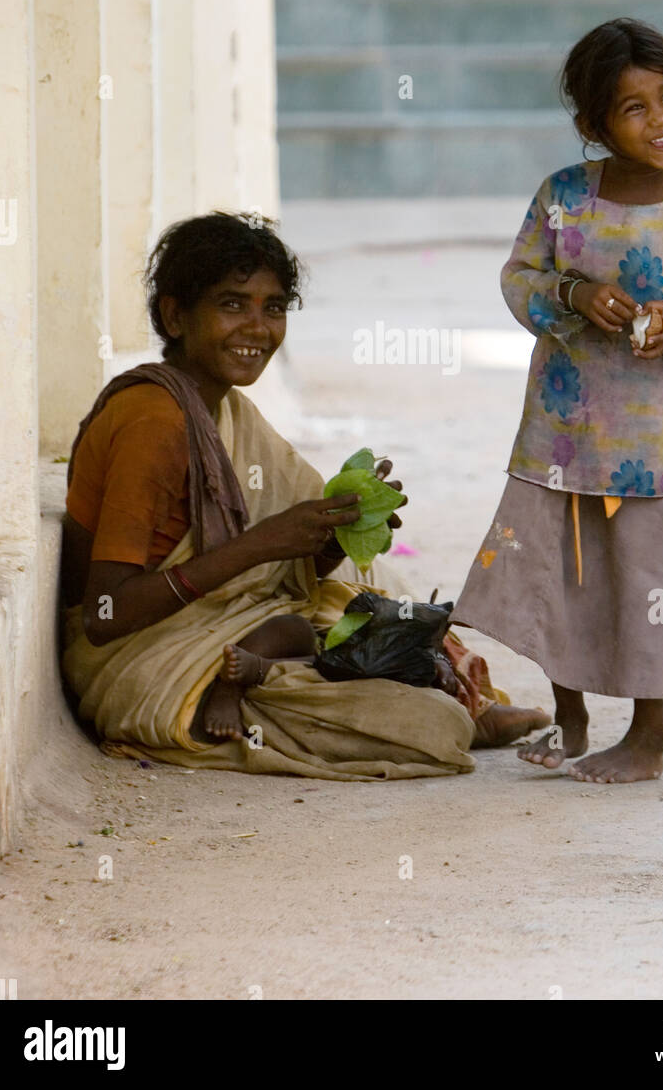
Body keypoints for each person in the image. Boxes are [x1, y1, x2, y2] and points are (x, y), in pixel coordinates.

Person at [60, 213, 549, 782]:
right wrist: (261, 546)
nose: (257, 328)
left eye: (273, 308)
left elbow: (286, 576)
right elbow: (104, 615)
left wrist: (337, 533)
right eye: (232, 304)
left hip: (221, 625)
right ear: (175, 316)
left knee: (375, 591)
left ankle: (470, 700)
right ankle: (450, 709)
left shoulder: (223, 408)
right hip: (144, 660)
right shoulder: (151, 420)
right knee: (427, 725)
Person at [451, 18, 663, 783]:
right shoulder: (562, 198)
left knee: (649, 576)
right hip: (561, 428)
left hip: (654, 437)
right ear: (593, 124)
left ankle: (648, 737)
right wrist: (575, 294)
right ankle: (574, 716)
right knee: (563, 568)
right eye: (634, 108)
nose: (661, 120)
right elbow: (521, 277)